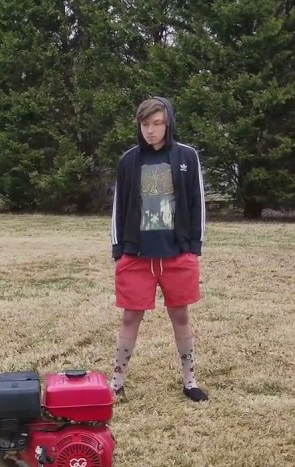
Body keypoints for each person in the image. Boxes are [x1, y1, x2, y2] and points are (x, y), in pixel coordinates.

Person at [108, 96, 208, 403]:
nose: (151, 130)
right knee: (129, 318)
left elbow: (197, 201)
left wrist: (193, 248)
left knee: (180, 315)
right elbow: (119, 207)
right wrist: (118, 249)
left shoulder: (186, 156)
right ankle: (116, 382)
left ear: (168, 124)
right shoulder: (129, 160)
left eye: (157, 124)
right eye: (145, 124)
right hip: (137, 255)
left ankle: (189, 380)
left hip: (176, 254)